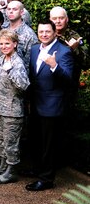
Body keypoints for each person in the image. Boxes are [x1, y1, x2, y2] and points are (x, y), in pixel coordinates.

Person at [26, 20, 75, 191]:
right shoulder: (33, 49)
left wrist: (54, 66)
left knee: (49, 145)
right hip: (35, 104)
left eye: (47, 31)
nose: (44, 34)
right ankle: (37, 169)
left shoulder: (64, 52)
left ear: (55, 33)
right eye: (41, 32)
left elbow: (69, 79)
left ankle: (46, 179)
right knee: (36, 141)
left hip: (52, 106)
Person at [0, 30, 29, 184]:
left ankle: (11, 171)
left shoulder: (17, 63)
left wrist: (11, 70)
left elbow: (23, 86)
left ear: (15, 44)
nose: (4, 46)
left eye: (7, 43)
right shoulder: (2, 59)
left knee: (11, 142)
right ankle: (3, 165)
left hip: (12, 110)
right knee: (1, 140)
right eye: (1, 44)